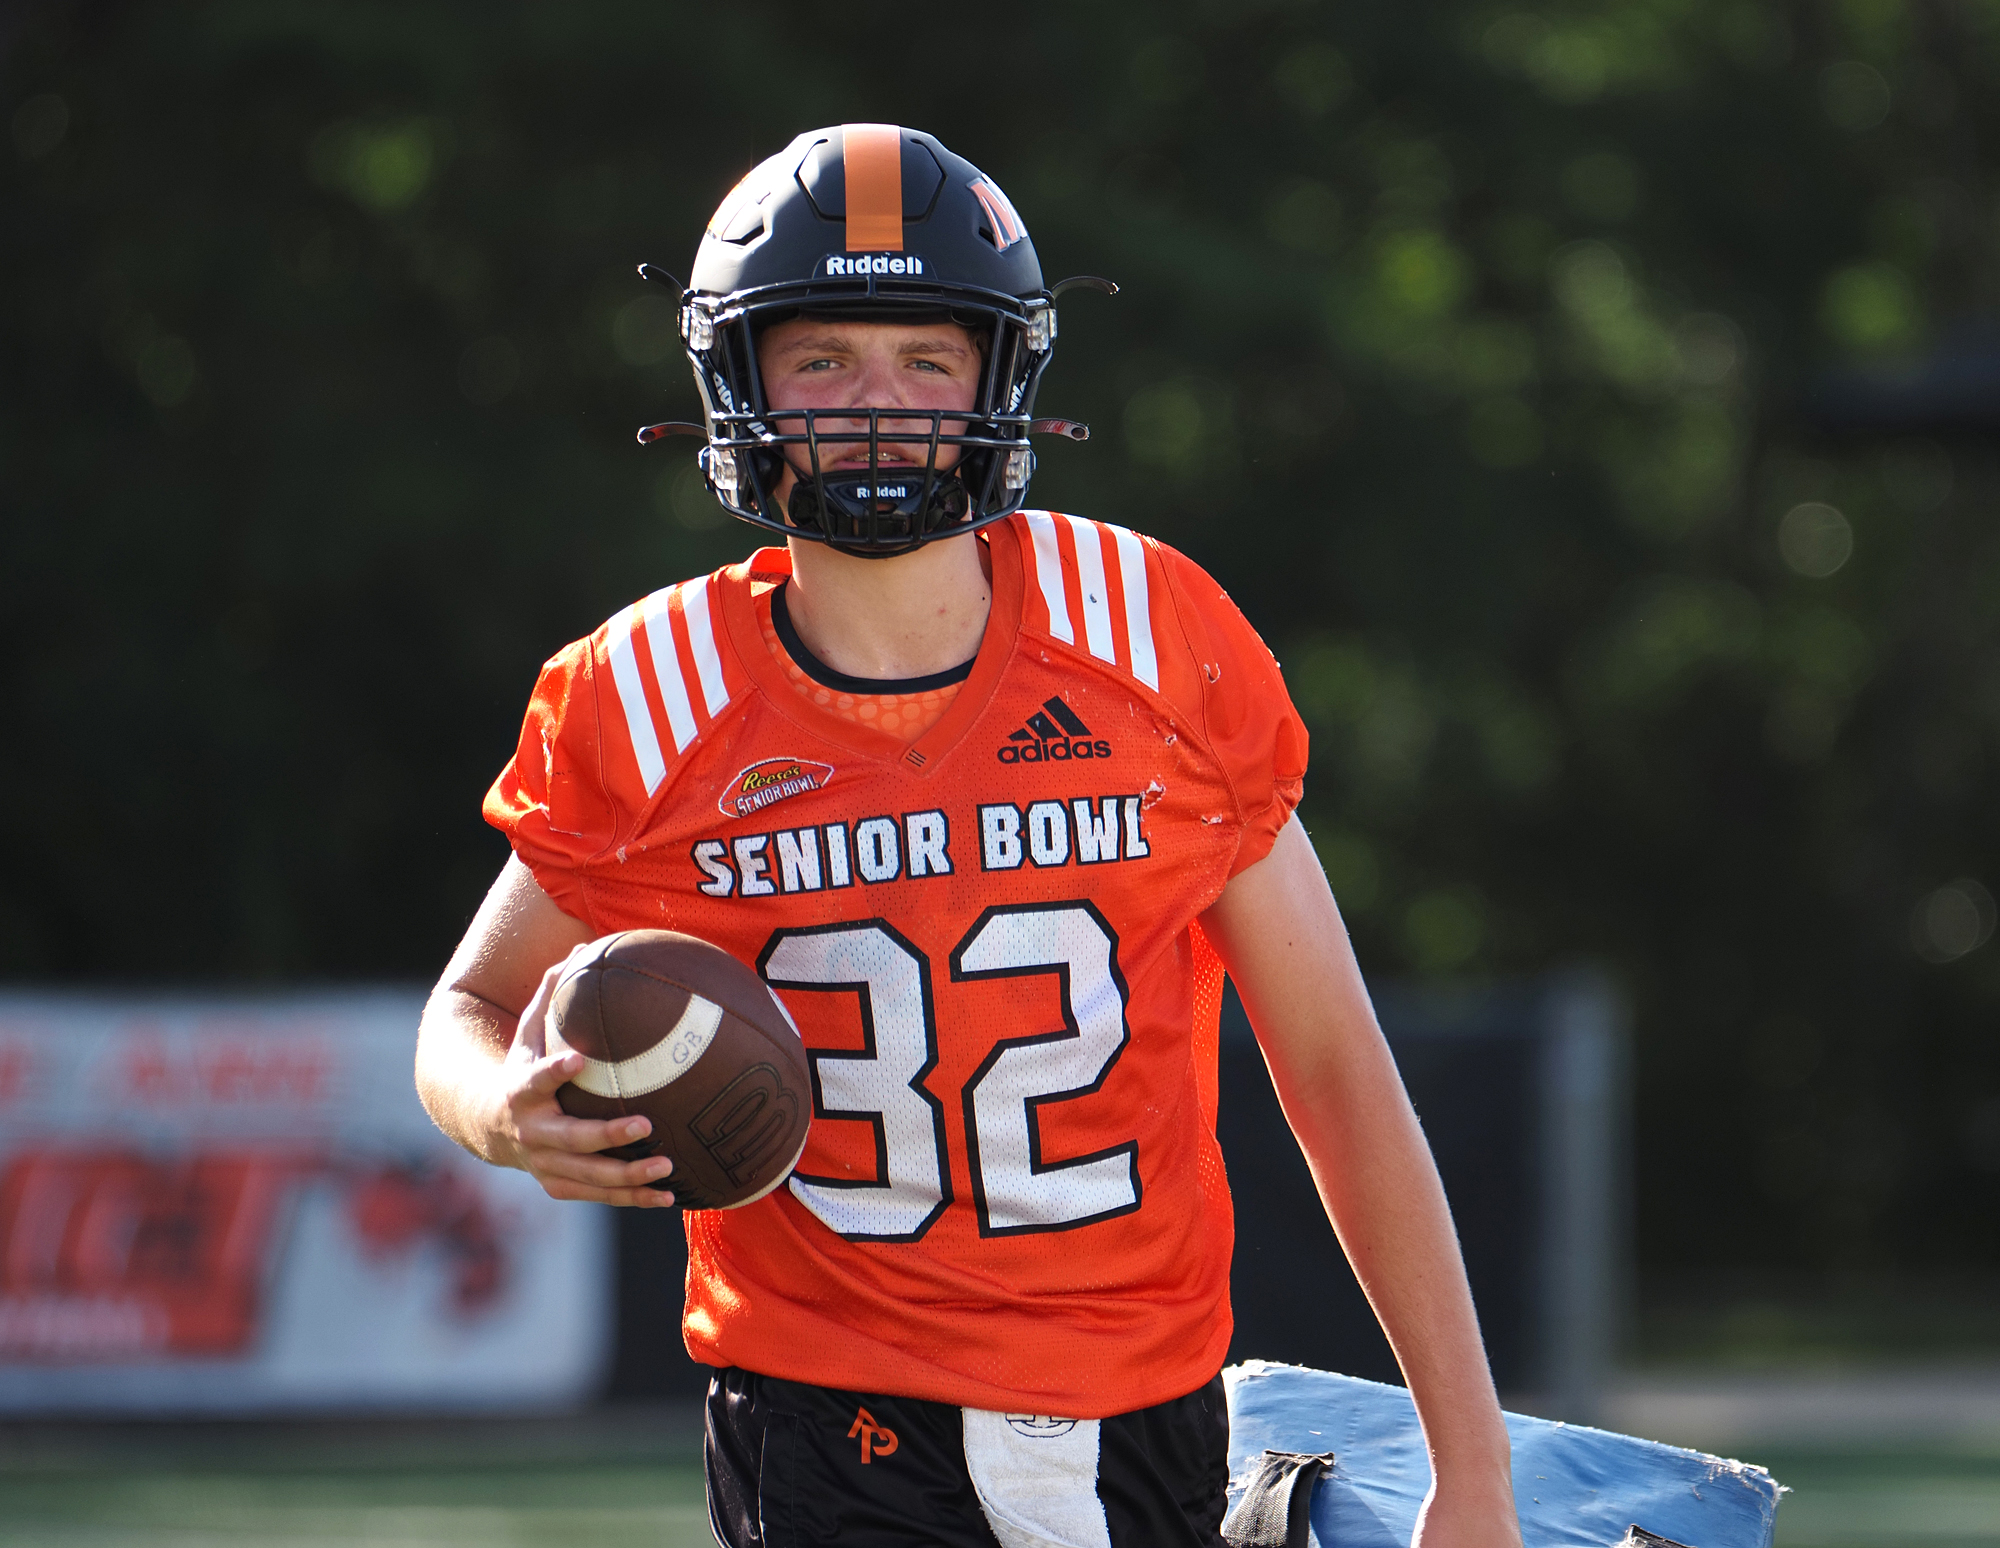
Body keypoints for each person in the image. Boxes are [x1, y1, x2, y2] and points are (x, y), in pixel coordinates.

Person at [415, 124, 1522, 1548]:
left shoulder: (1150, 635)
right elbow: (469, 1010)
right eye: (822, 361)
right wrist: (500, 1110)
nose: (876, 406)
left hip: (1144, 1412)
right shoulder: (648, 695)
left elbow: (1334, 1068)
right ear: (736, 382)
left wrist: (1470, 1459)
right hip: (824, 1418)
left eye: (926, 362)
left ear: (999, 381)